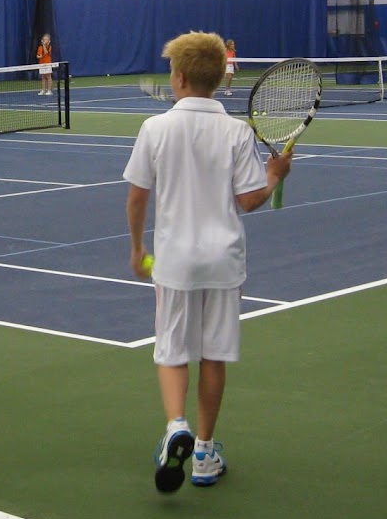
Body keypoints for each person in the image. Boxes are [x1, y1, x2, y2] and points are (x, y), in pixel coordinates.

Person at [124, 31, 292, 492]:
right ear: (219, 78)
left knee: (173, 351)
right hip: (223, 261)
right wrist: (274, 176)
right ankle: (203, 450)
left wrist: (138, 248)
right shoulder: (237, 131)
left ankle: (175, 424)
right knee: (213, 355)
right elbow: (248, 201)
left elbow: (138, 197)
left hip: (175, 261)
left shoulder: (154, 128)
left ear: (177, 78)